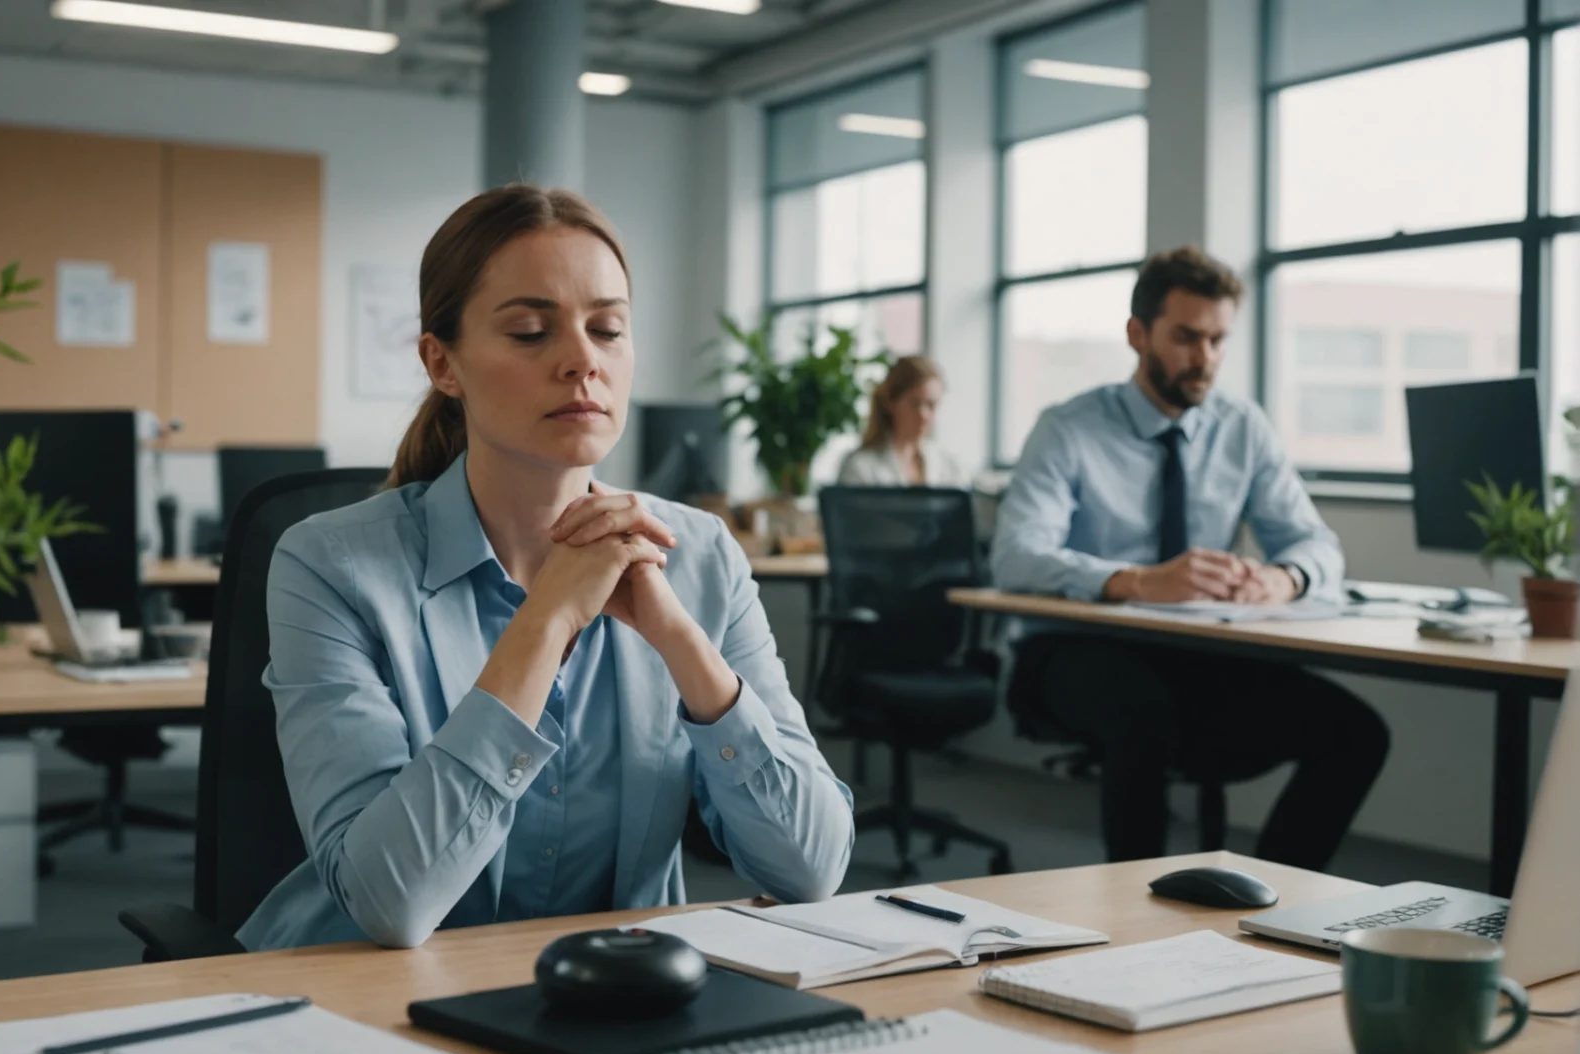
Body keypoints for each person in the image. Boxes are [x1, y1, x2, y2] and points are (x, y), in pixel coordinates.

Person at [236, 185, 855, 951]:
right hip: (360, 993)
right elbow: (388, 903)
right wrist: (547, 620)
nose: (583, 360)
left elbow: (812, 869)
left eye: (608, 329)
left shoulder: (697, 555)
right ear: (441, 363)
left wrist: (680, 641)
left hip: (609, 991)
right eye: (530, 332)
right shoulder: (330, 563)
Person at [990, 246, 1388, 871]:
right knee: (1142, 713)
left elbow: (1316, 545)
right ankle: (1130, 915)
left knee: (1356, 733)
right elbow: (1015, 557)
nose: (1204, 358)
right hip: (1074, 647)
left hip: (1199, 653)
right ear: (1137, 334)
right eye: (1185, 337)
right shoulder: (1069, 428)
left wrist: (1285, 578)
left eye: (1217, 340)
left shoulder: (1242, 427)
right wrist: (1136, 581)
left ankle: (1275, 897)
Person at [836, 355, 963, 487]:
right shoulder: (859, 467)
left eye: (931, 405)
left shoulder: (950, 467)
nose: (923, 415)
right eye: (915, 404)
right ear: (890, 402)